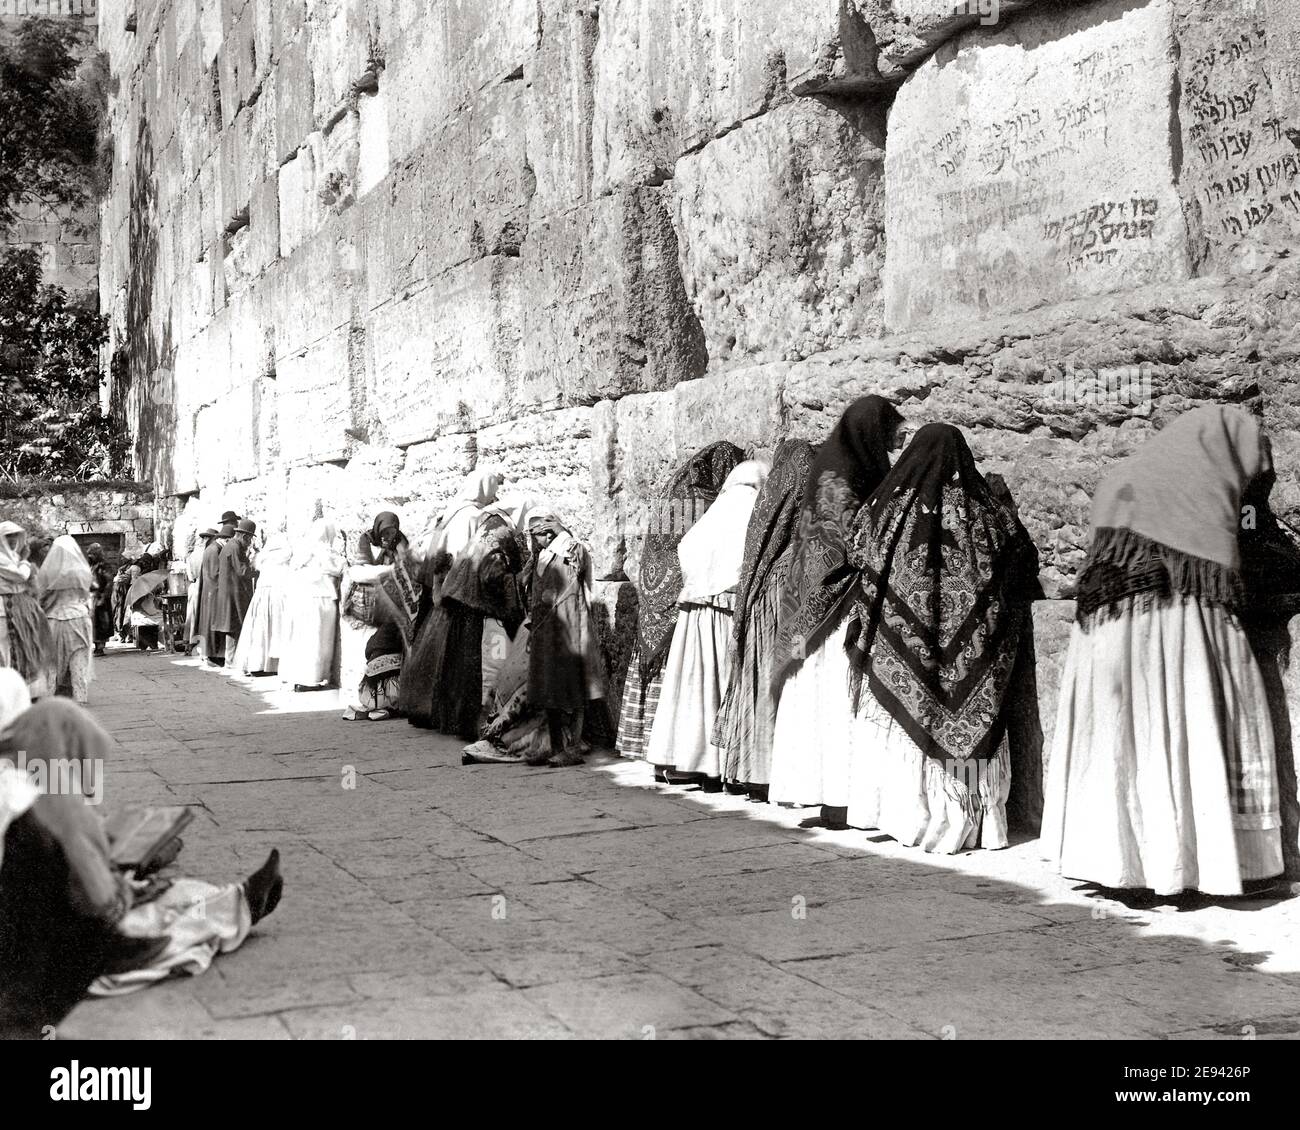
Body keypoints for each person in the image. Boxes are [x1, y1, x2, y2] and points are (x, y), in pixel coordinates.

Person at [1043, 405, 1284, 898]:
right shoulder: (1204, 483)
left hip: (1106, 633)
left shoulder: (1126, 475)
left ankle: (1119, 863)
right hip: (1181, 624)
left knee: (1122, 742)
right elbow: (1232, 562)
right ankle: (1195, 866)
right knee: (1183, 731)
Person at [0, 689, 284, 1036]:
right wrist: (124, 884)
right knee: (160, 920)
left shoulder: (24, 790)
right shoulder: (36, 809)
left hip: (37, 932)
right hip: (32, 966)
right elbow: (97, 909)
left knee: (174, 895)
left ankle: (234, 902)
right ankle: (237, 908)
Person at [840, 424, 1039, 853]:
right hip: (975, 657)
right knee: (966, 730)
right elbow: (1023, 561)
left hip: (904, 649)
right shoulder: (986, 510)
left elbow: (856, 552)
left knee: (909, 727)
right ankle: (974, 824)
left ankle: (910, 818)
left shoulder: (888, 508)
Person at [767, 395, 903, 827]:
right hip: (839, 606)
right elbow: (853, 541)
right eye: (889, 433)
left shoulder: (832, 465)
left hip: (813, 603)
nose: (894, 443)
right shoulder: (845, 478)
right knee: (839, 702)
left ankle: (827, 797)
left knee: (819, 703)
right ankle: (842, 799)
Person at [615, 441, 745, 765]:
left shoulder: (674, 495)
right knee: (680, 672)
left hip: (652, 589)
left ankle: (643, 743)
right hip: (681, 591)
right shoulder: (705, 502)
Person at [647, 460, 769, 788]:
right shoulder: (752, 513)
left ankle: (686, 763)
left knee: (693, 689)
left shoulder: (712, 515)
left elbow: (686, 551)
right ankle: (723, 768)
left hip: (695, 615)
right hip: (728, 612)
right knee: (722, 684)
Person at [714, 440, 815, 800]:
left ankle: (747, 772)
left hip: (760, 601)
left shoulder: (767, 507)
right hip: (781, 602)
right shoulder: (804, 515)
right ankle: (768, 773)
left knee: (756, 681)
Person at [401, 480, 524, 738]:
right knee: (478, 668)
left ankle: (453, 720)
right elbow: (497, 572)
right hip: (476, 609)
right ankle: (474, 724)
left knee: (457, 666)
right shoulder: (487, 524)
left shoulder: (466, 517)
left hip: (456, 599)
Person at [282, 520, 344, 691]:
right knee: (317, 640)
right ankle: (311, 679)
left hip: (302, 597)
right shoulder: (323, 550)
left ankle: (298, 676)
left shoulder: (304, 548)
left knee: (302, 638)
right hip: (320, 597)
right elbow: (337, 568)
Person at [36, 535, 95, 703]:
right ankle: (80, 696)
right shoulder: (83, 570)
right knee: (79, 661)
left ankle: (49, 697)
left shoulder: (48, 571)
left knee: (51, 663)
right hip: (78, 618)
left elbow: (41, 597)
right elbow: (85, 595)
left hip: (53, 620)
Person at [0, 521, 54, 700]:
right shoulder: (5, 559)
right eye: (8, 536)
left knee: (24, 647)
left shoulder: (15, 559)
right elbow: (19, 575)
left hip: (20, 610)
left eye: (15, 535)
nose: (13, 539)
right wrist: (25, 564)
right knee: (5, 649)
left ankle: (23, 690)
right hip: (3, 610)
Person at [231, 533, 292, 676]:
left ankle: (256, 663)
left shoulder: (263, 559)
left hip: (261, 595)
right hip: (278, 595)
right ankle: (273, 664)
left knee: (259, 631)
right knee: (275, 630)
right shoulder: (284, 558)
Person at [213, 519, 257, 663]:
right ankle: (232, 660)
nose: (249, 543)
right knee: (234, 626)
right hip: (234, 594)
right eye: (249, 539)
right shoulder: (236, 547)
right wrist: (258, 570)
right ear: (245, 537)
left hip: (228, 593)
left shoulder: (230, 546)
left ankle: (230, 659)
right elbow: (242, 571)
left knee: (231, 626)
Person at [197, 524, 231, 665]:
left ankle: (208, 653)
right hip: (214, 592)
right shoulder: (215, 550)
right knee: (212, 624)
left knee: (208, 623)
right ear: (224, 539)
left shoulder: (211, 548)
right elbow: (216, 573)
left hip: (209, 592)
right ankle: (212, 655)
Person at [183, 529, 217, 657]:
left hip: (193, 585)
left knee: (191, 616)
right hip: (203, 585)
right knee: (201, 617)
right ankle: (200, 646)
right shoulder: (209, 552)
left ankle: (189, 644)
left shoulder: (192, 555)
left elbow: (190, 575)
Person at [125, 559, 168, 651]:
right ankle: (166, 642)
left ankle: (163, 642)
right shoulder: (146, 595)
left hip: (138, 615)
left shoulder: (141, 591)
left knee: (161, 619)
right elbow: (150, 610)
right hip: (142, 617)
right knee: (164, 621)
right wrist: (160, 611)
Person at [85, 544, 116, 657]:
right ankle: (95, 645)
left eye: (92, 554)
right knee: (93, 622)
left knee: (101, 622)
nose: (90, 556)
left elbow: (109, 582)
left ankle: (100, 647)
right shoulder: (91, 566)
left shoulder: (103, 566)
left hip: (101, 597)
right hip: (91, 597)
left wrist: (104, 596)